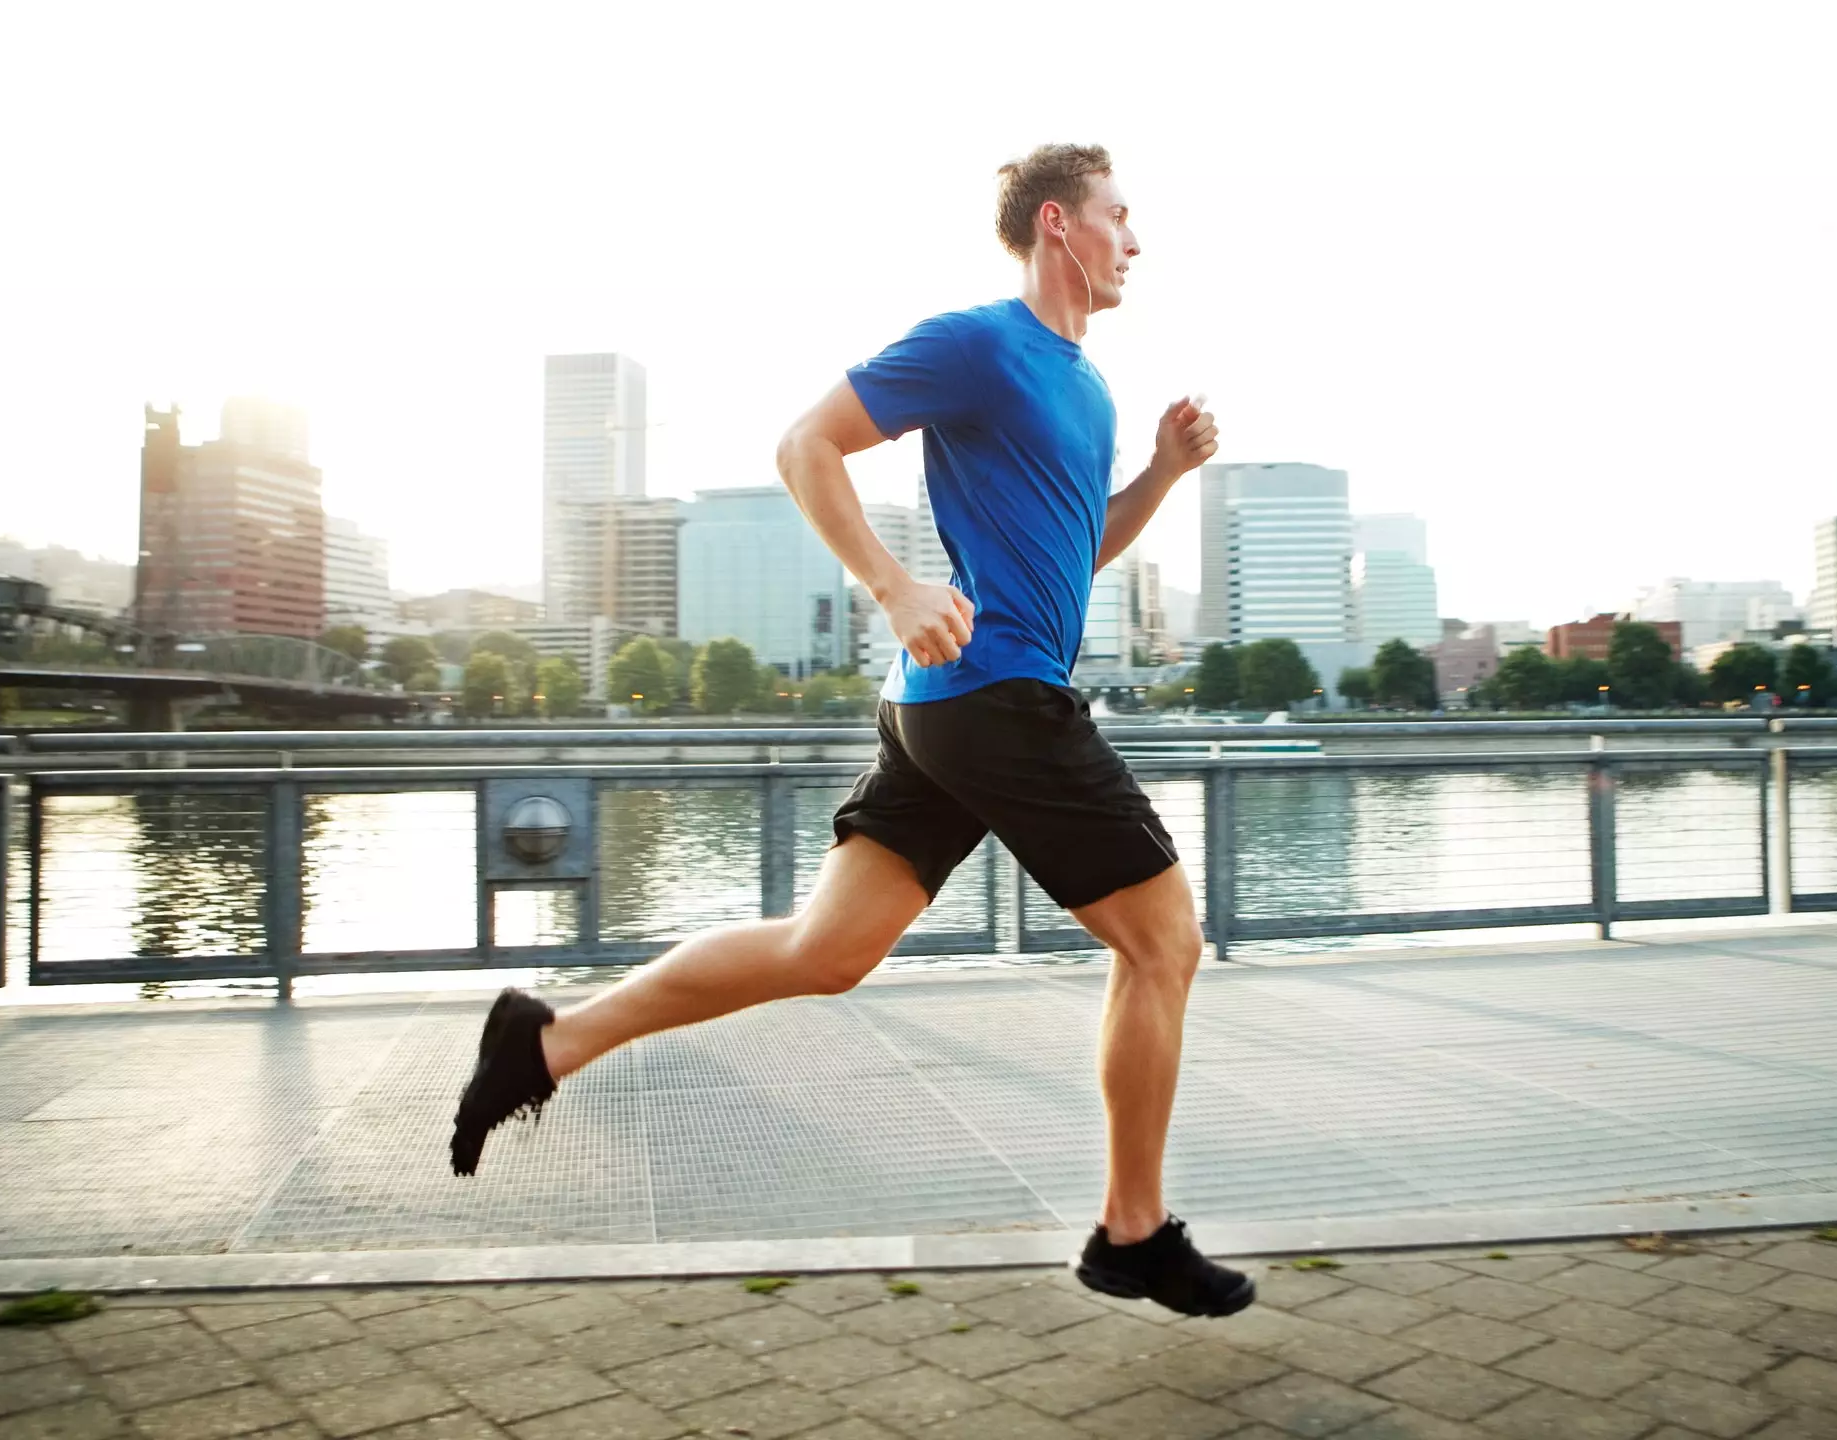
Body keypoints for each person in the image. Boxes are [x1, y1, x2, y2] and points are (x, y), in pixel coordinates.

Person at [450, 143, 1251, 1318]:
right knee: (1162, 944)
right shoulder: (976, 341)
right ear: (1056, 226)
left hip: (945, 708)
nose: (1138, 239)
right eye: (1120, 217)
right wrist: (892, 586)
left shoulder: (1085, 386)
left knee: (825, 954)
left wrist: (1163, 475)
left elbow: (1077, 555)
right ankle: (1132, 1232)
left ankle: (544, 1045)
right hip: (995, 699)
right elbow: (803, 444)